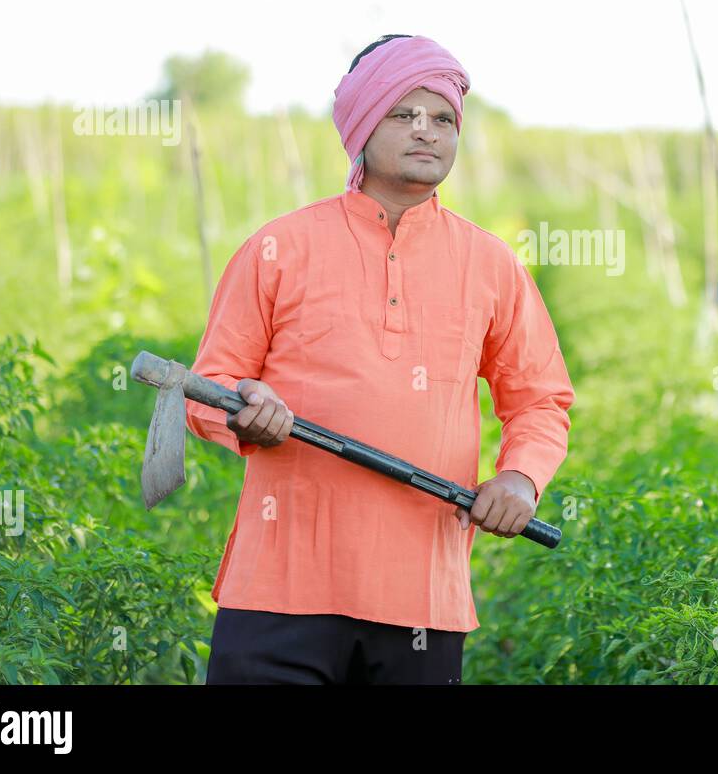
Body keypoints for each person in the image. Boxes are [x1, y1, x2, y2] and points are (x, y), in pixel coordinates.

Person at [186, 34, 575, 684]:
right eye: (404, 114)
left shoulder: (491, 266)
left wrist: (520, 479)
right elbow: (206, 387)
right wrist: (243, 411)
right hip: (278, 597)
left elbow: (539, 398)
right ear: (362, 125)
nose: (427, 132)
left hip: (423, 603)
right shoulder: (280, 247)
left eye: (444, 119)